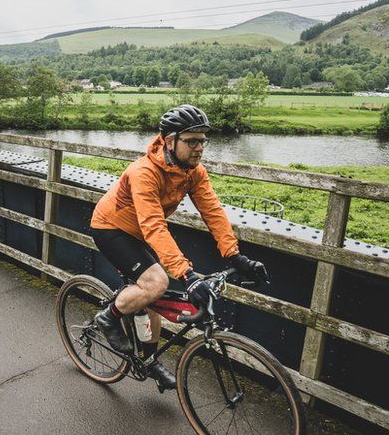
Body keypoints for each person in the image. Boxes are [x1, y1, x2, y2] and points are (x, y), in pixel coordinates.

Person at [89, 104, 268, 391]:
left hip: (140, 232)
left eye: (203, 141)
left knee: (153, 297)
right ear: (169, 140)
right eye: (192, 141)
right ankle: (107, 317)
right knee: (156, 282)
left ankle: (150, 361)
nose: (200, 148)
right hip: (112, 228)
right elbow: (154, 225)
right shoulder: (144, 172)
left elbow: (213, 212)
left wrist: (236, 255)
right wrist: (187, 274)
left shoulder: (193, 172)